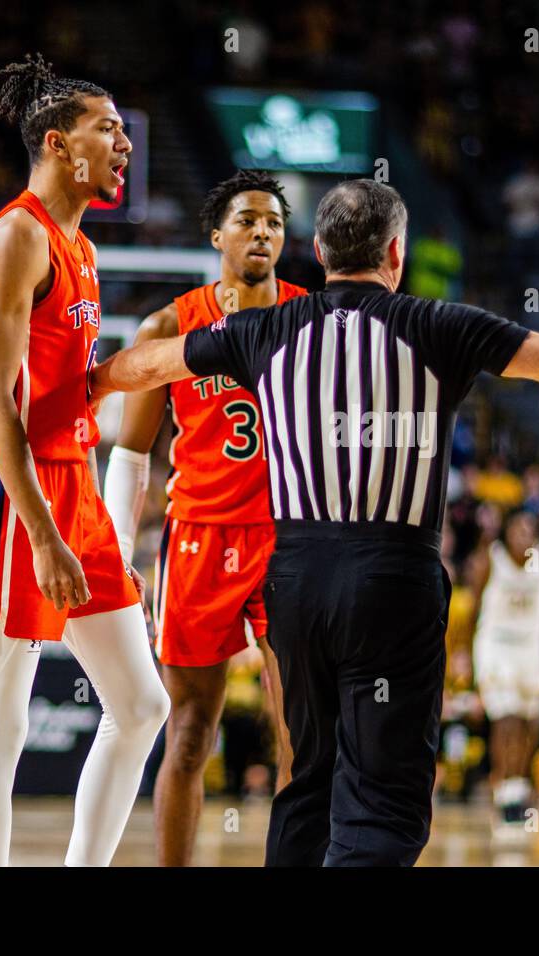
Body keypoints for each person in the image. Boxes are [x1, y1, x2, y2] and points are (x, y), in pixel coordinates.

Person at [90, 177, 539, 866]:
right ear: (396, 253)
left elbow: (143, 366)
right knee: (384, 795)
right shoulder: (440, 325)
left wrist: (77, 380)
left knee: (305, 783)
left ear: (315, 247)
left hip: (296, 577)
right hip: (392, 577)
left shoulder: (265, 329)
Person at [0, 55, 169, 867]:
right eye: (106, 130)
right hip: (11, 488)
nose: (123, 145)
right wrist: (43, 534)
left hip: (73, 479)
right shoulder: (15, 236)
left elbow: (75, 383)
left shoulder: (83, 246)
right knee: (1, 712)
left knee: (141, 704)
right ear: (56, 144)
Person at [102, 169, 303, 866]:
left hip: (289, 541)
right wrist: (117, 549)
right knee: (189, 732)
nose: (262, 232)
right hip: (199, 539)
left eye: (274, 222)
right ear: (217, 235)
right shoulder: (171, 324)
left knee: (300, 736)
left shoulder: (313, 318)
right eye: (247, 219)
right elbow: (130, 451)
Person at [468, 508, 539, 824]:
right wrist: (468, 655)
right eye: (519, 529)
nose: (525, 535)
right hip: (497, 647)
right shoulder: (490, 558)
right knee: (505, 718)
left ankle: (520, 786)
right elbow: (473, 610)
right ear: (507, 533)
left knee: (529, 722)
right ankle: (505, 790)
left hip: (531, 647)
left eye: (530, 530)